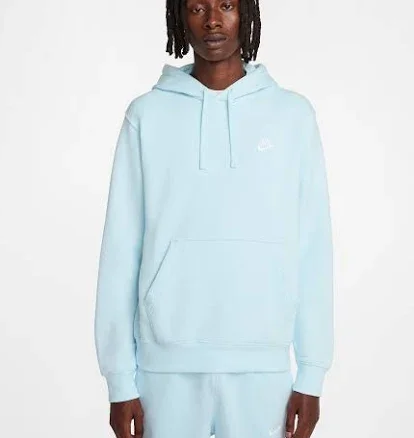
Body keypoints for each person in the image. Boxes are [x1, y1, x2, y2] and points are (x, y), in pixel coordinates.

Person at [94, 0, 334, 437]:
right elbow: (121, 250)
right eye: (197, 8)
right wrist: (119, 380)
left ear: (247, 13)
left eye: (226, 5)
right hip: (164, 368)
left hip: (263, 367)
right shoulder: (146, 115)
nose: (213, 21)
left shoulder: (292, 116)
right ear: (179, 18)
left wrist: (311, 372)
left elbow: (312, 247)